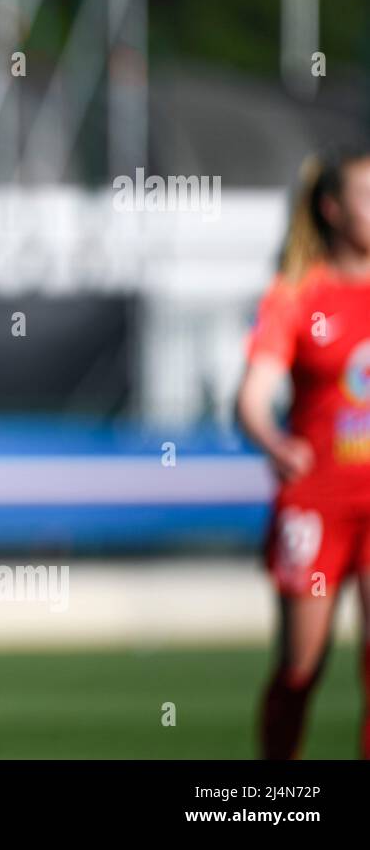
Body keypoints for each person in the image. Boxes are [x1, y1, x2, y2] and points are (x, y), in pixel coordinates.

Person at [237, 143, 370, 759]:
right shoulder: (297, 292)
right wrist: (272, 439)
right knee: (300, 669)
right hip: (317, 502)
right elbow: (253, 394)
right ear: (333, 209)